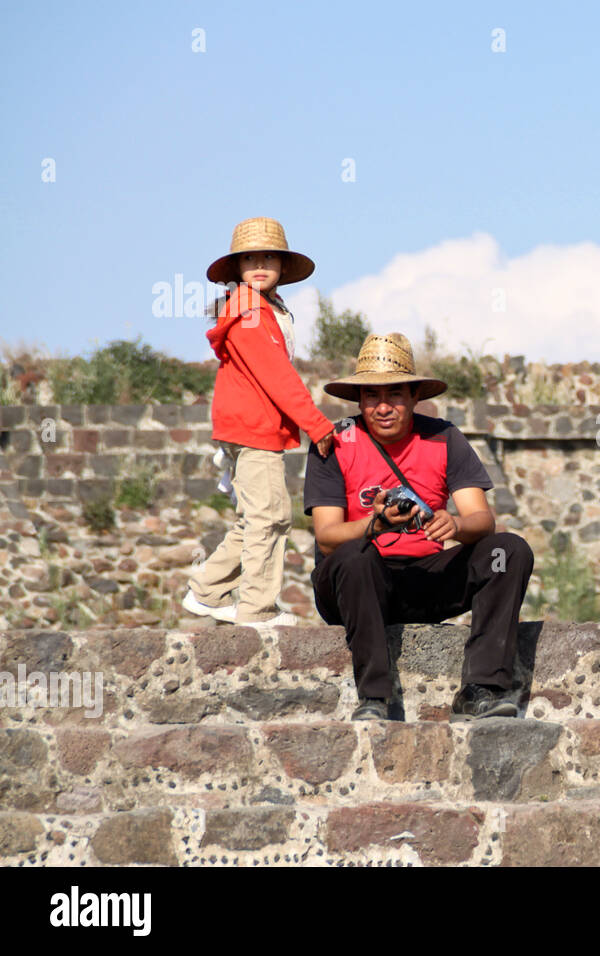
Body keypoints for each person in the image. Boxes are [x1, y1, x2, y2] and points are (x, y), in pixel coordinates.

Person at [304, 332, 534, 721]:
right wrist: (373, 526)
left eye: (395, 395)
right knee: (353, 559)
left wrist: (456, 525)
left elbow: (482, 520)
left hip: (425, 581)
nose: (383, 407)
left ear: (414, 397)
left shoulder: (444, 437)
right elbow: (327, 538)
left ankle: (482, 689)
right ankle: (374, 699)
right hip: (355, 585)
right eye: (372, 397)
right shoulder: (335, 442)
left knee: (506, 551)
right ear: (359, 401)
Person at [184, 217, 336, 628]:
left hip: (249, 425)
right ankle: (256, 610)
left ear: (283, 265)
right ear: (237, 269)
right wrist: (317, 424)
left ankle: (207, 591)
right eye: (250, 258)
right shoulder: (250, 312)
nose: (260, 263)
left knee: (256, 517)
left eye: (268, 255)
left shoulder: (261, 308)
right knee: (270, 517)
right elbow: (276, 375)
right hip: (253, 427)